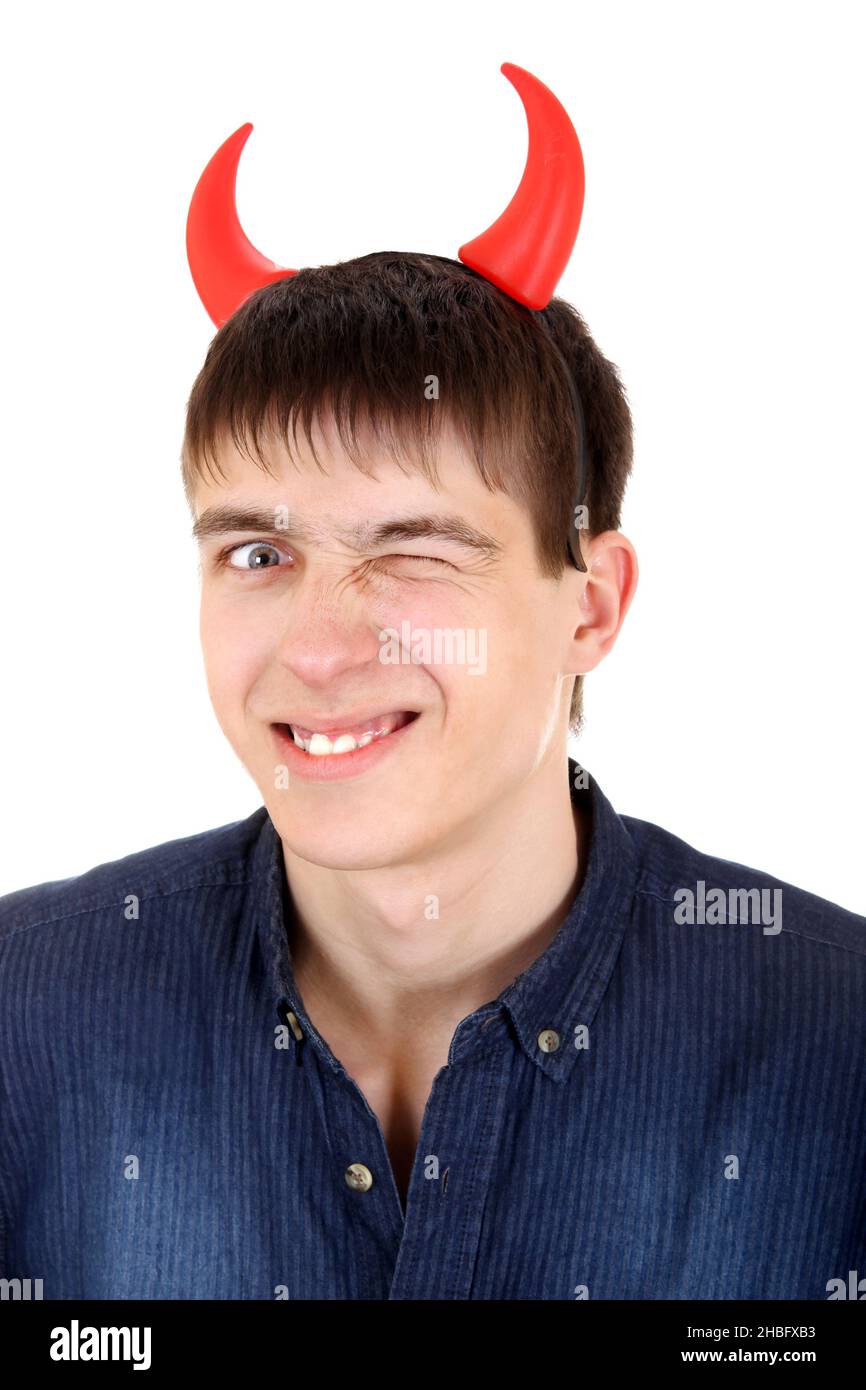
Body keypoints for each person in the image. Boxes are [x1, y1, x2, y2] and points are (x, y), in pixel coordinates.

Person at [1, 64, 864, 1302]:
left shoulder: (836, 1050)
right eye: (259, 552)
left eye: (408, 551)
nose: (315, 645)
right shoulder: (23, 1013)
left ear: (592, 603)